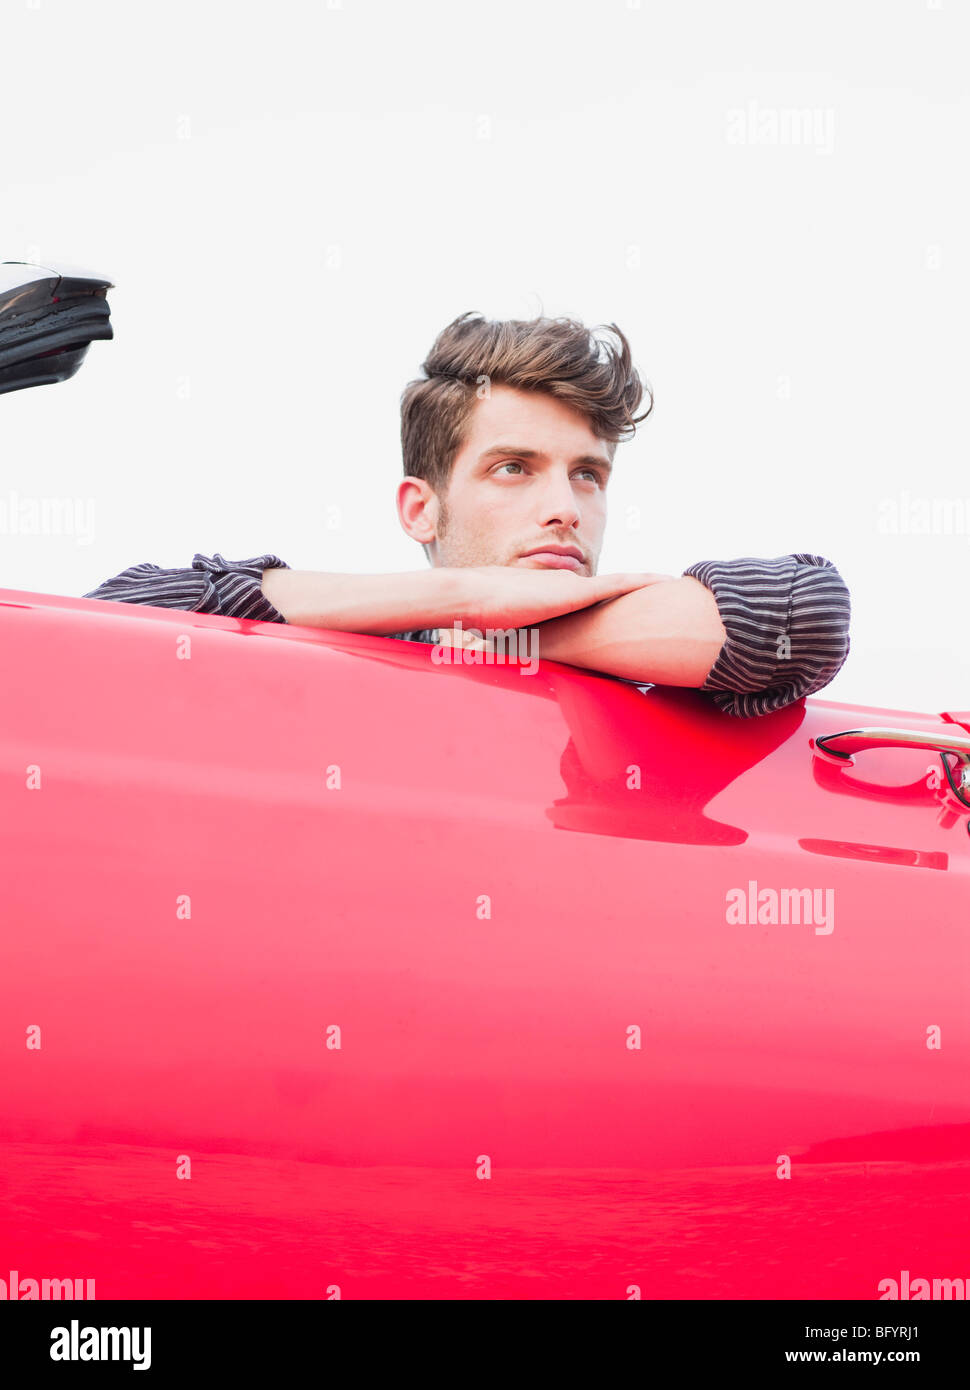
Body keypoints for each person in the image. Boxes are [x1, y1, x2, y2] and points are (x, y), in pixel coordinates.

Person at [84, 311, 850, 718]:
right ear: (421, 509)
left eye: (588, 476)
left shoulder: (657, 675)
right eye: (513, 469)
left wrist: (513, 627)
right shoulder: (330, 661)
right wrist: (464, 601)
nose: (565, 511)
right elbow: (114, 619)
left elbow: (806, 614)